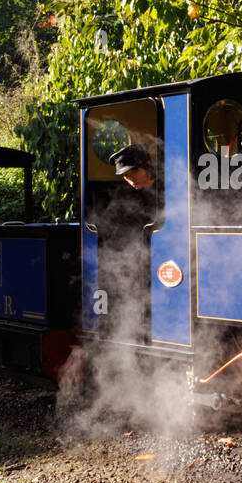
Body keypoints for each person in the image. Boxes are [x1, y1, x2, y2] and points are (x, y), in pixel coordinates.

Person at [96, 144, 159, 341]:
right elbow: (107, 226)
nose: (129, 178)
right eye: (125, 175)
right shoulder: (122, 197)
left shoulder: (168, 189)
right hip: (133, 262)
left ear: (147, 165)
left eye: (133, 172)